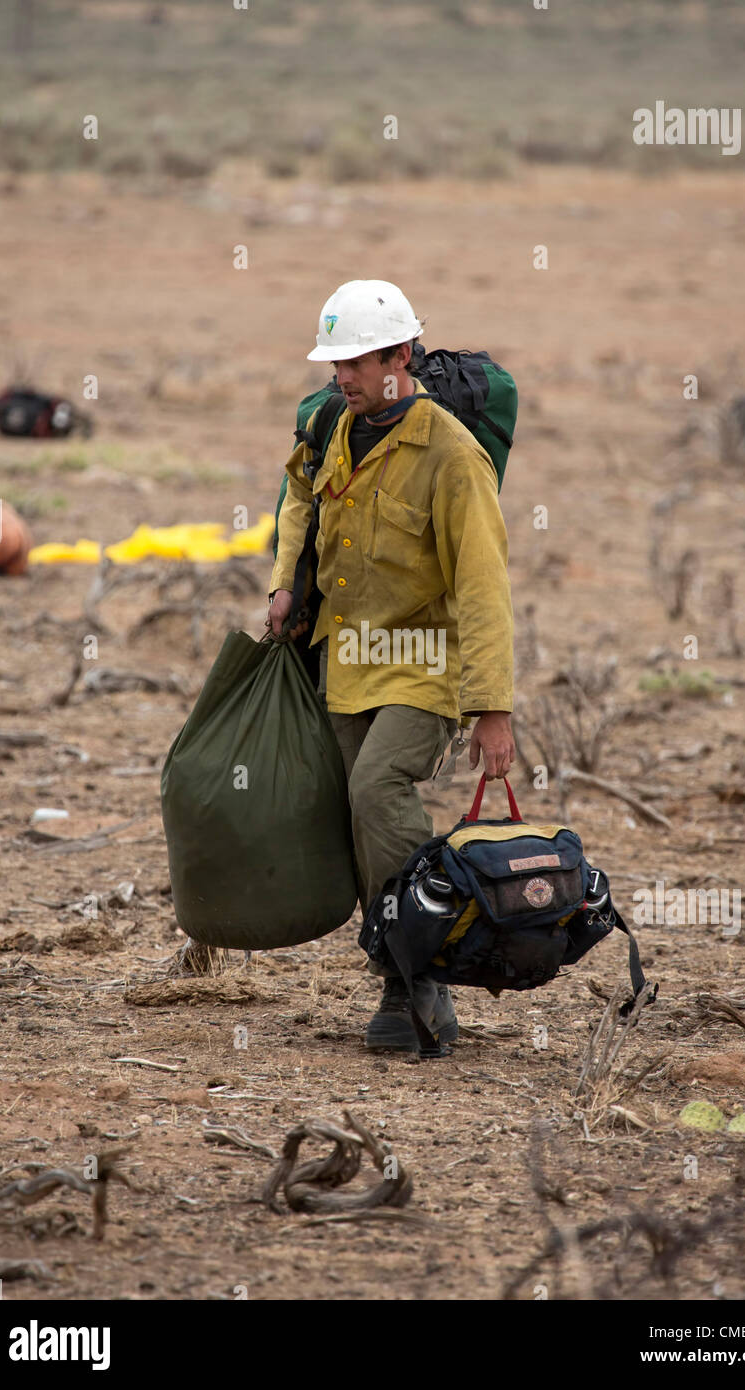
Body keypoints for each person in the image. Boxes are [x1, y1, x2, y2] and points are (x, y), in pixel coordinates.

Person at [267, 279, 515, 1050]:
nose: (342, 376)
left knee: (379, 787)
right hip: (346, 659)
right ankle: (402, 987)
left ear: (400, 357)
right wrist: (284, 584)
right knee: (359, 816)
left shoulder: (452, 454)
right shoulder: (332, 428)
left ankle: (425, 974)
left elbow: (482, 584)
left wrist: (492, 707)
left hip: (421, 663)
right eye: (335, 361)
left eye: (357, 361)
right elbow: (298, 498)